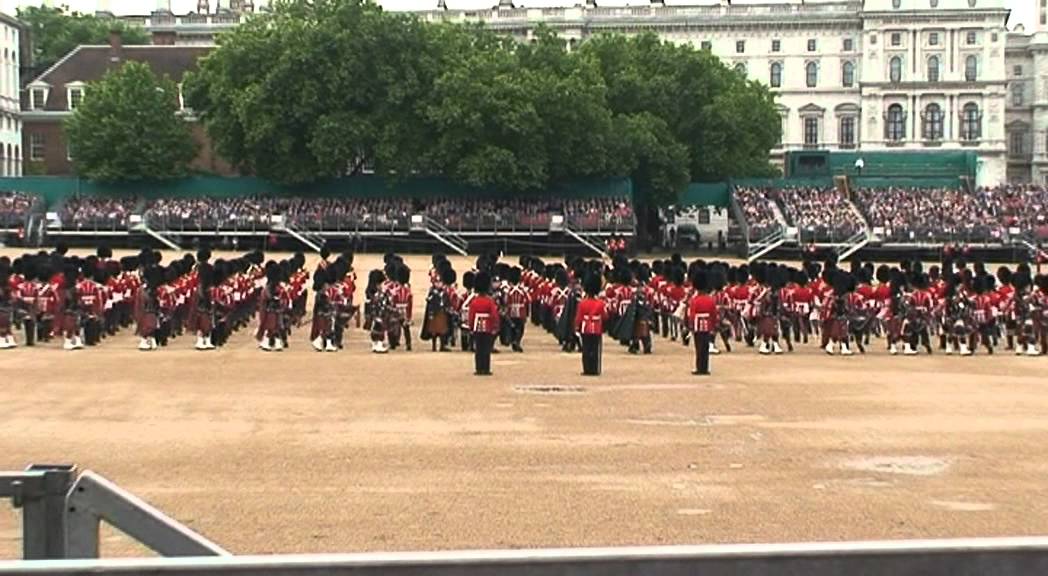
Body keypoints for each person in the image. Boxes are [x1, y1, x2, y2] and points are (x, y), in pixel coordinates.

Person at [467, 271, 500, 376]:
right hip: (487, 326)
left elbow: (471, 315)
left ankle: (479, 368)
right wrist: (495, 325)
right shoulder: (490, 301)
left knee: (478, 349)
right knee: (486, 349)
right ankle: (486, 368)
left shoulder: (474, 301)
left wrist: (471, 327)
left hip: (477, 326)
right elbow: (494, 315)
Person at [686, 268, 717, 375]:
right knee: (705, 347)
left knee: (699, 348)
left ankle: (700, 368)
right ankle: (705, 368)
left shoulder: (694, 300)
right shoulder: (711, 299)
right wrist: (713, 326)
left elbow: (692, 315)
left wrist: (690, 326)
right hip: (707, 325)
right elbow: (713, 314)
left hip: (698, 325)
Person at [575, 273, 607, 376]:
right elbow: (605, 316)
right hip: (597, 327)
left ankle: (587, 368)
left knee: (586, 349)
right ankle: (594, 368)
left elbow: (579, 317)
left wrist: (576, 326)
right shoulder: (601, 303)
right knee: (595, 349)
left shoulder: (582, 303)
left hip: (585, 327)